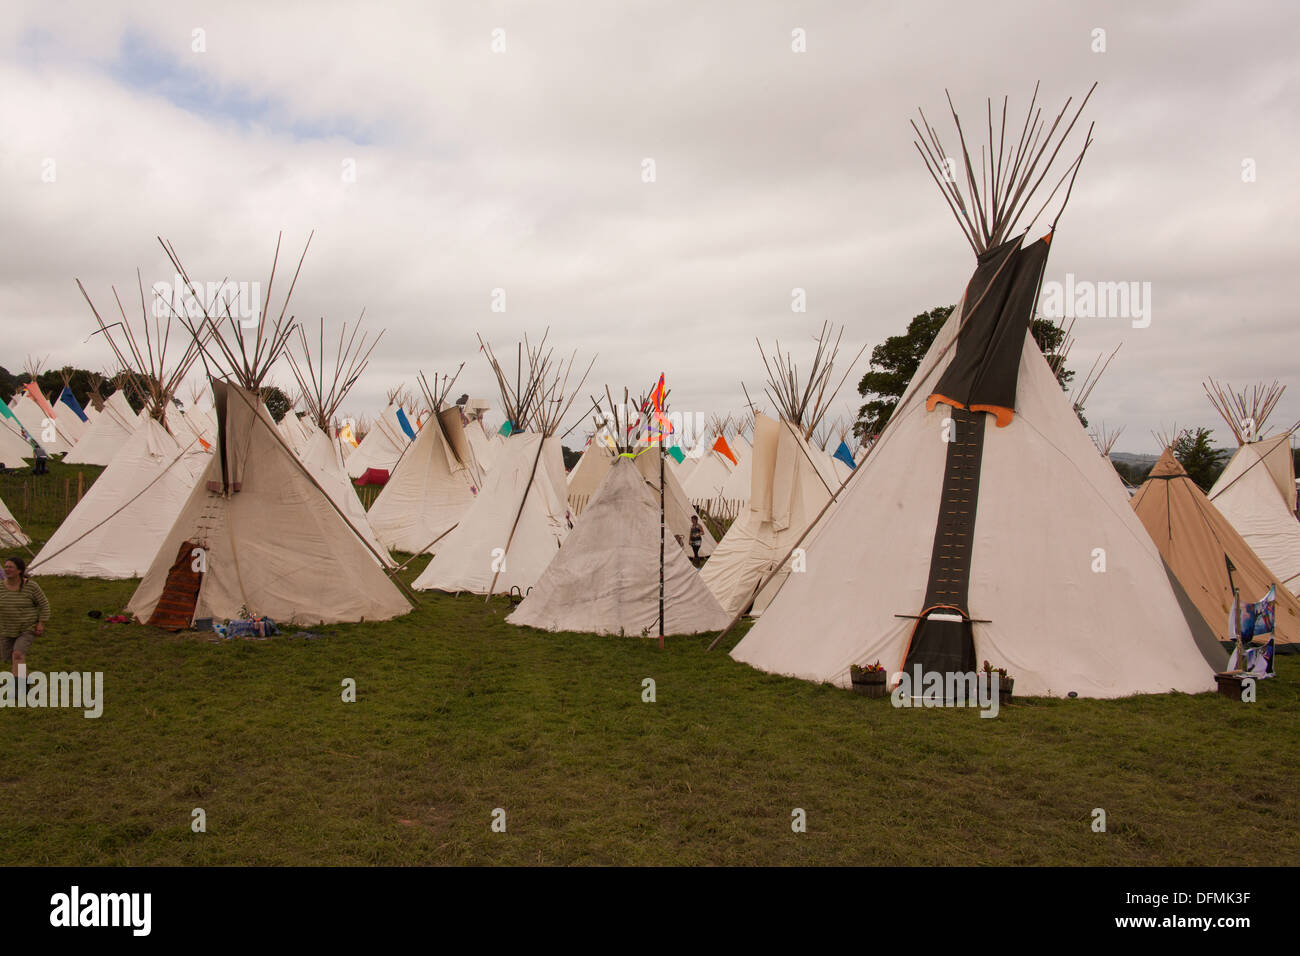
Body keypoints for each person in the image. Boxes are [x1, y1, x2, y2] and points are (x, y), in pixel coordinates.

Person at [1, 556, 50, 693]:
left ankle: (19, 690)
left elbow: (44, 605)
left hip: (27, 628)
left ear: (19, 570)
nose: (7, 569)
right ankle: (25, 683)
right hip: (6, 629)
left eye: (10, 567)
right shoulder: (1, 587)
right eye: (5, 567)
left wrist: (41, 623)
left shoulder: (31, 586)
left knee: (18, 654)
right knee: (14, 660)